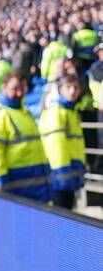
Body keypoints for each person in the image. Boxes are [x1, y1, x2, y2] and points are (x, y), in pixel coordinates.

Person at [0, 71, 51, 203]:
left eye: (22, 88)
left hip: (36, 188)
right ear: (3, 87)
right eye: (15, 88)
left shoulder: (26, 114)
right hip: (16, 190)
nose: (19, 93)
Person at [39, 75, 86, 211]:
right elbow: (56, 147)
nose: (72, 91)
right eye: (68, 87)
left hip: (70, 175)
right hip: (60, 178)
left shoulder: (72, 112)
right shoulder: (56, 112)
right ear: (60, 90)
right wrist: (63, 176)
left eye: (76, 87)